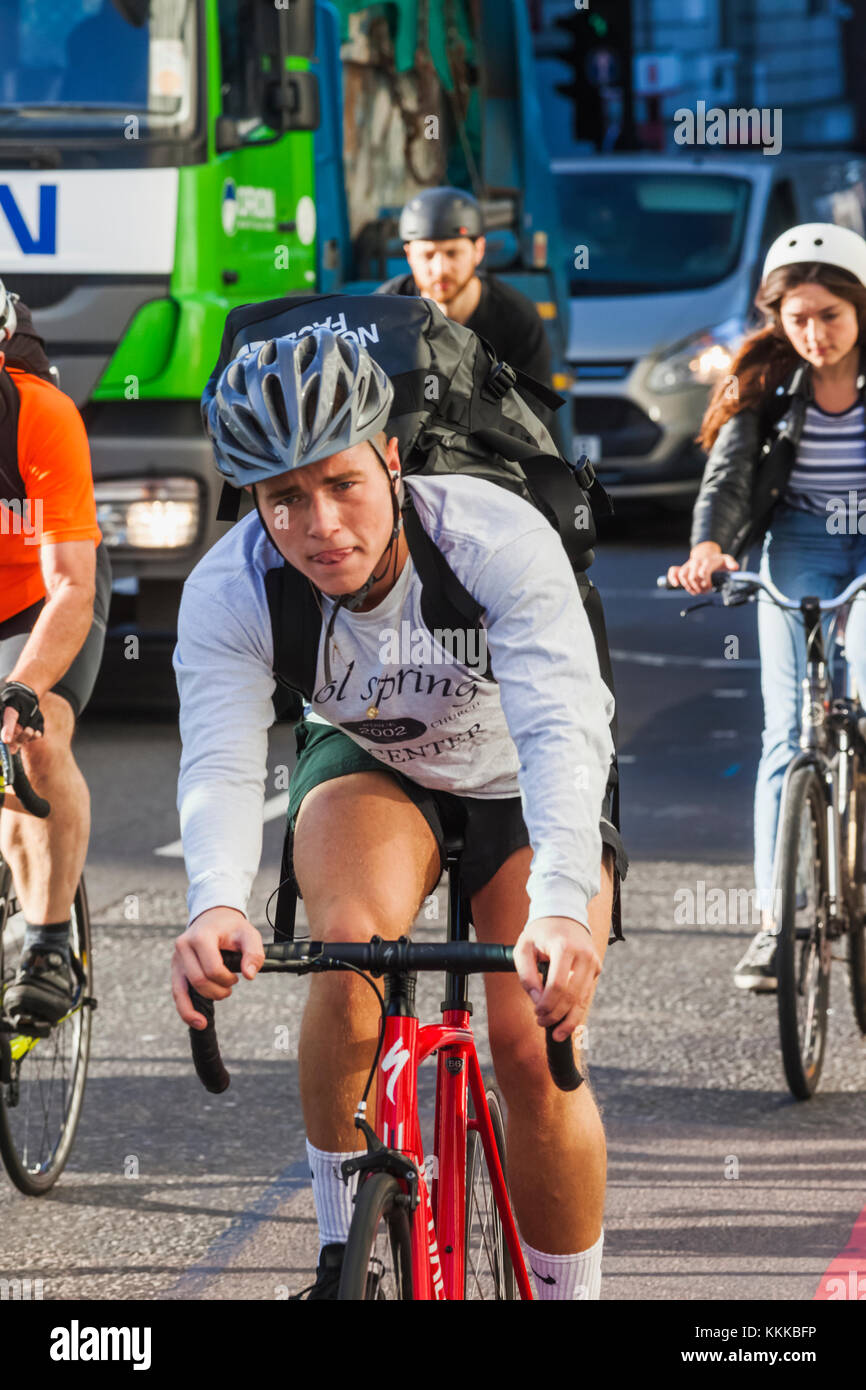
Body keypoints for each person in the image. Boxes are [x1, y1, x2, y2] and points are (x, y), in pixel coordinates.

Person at [170, 327, 627, 1300]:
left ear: (388, 456)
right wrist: (214, 902)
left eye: (339, 481)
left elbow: (560, 731)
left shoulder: (491, 538)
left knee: (529, 1049)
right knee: (343, 956)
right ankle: (347, 1257)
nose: (319, 523)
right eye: (282, 496)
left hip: (521, 769)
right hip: (379, 759)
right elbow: (218, 760)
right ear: (251, 499)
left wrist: (557, 901)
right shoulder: (231, 587)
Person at [667, 223, 866, 991]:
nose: (814, 334)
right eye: (798, 317)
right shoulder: (768, 380)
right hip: (802, 540)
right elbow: (730, 473)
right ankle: (776, 926)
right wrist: (710, 548)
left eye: (831, 316)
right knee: (786, 734)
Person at [0, 279, 110, 1024]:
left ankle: (46, 945)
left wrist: (23, 686)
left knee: (34, 739)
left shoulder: (39, 415)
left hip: (44, 597)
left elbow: (72, 586)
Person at [377, 186, 553, 404]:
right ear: (409, 255)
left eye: (452, 253)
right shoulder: (384, 313)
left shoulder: (517, 318)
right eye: (428, 255)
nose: (440, 268)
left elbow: (535, 412)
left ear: (478, 250)